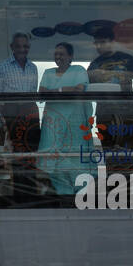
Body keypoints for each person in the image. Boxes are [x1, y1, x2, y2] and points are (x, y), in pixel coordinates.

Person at [87, 26, 133, 172]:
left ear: (112, 41)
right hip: (105, 115)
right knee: (109, 153)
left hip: (127, 115)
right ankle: (112, 187)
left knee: (127, 151)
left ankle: (128, 187)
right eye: (96, 43)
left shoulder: (127, 59)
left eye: (102, 42)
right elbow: (88, 89)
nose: (99, 46)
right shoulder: (94, 65)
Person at [36, 42, 90, 196]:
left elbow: (79, 90)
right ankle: (64, 196)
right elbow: (41, 93)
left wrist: (55, 91)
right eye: (56, 54)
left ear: (70, 56)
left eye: (62, 54)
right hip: (53, 124)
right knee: (54, 161)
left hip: (74, 123)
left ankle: (80, 196)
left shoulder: (78, 70)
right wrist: (64, 90)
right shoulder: (48, 72)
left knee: (75, 159)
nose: (58, 57)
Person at [0, 31, 40, 196]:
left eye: (26, 46)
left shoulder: (33, 67)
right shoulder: (2, 66)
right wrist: (0, 123)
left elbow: (33, 93)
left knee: (31, 155)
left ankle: (32, 193)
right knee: (15, 155)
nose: (23, 49)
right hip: (11, 113)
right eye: (19, 46)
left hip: (30, 114)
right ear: (12, 48)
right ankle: (20, 194)